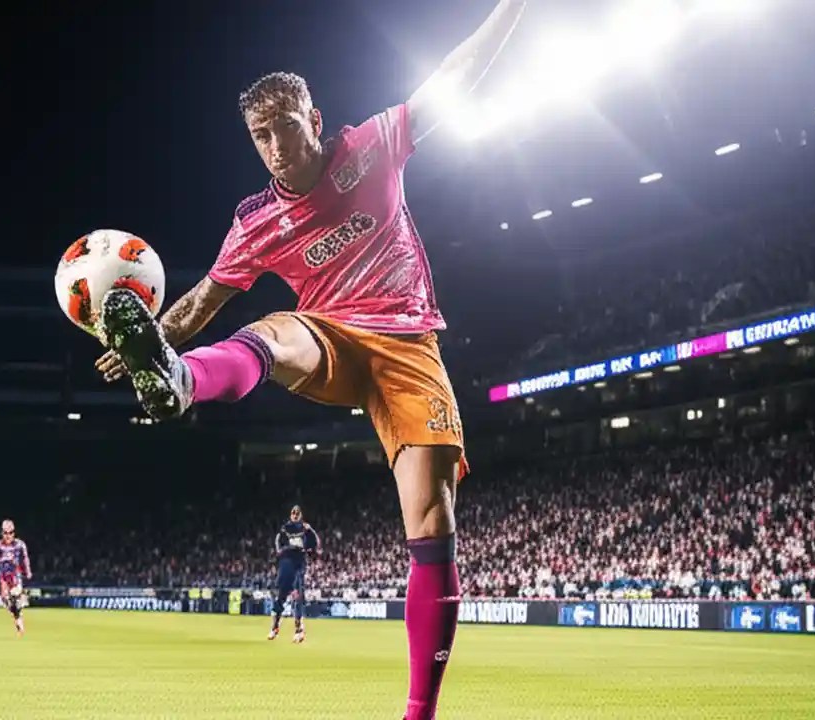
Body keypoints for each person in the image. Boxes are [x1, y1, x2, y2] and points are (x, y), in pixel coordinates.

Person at [95, 2, 526, 715]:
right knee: (272, 329)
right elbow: (204, 301)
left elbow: (458, 74)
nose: (273, 146)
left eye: (285, 128)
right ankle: (177, 382)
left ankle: (420, 711)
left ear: (315, 120)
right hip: (329, 337)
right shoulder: (256, 223)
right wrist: (157, 336)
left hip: (409, 343)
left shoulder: (375, 147)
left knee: (434, 521)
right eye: (260, 136)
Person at [269, 505, 320, 643]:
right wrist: (280, 552)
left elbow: (315, 542)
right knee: (281, 594)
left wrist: (311, 549)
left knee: (298, 595)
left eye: (297, 513)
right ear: (291, 515)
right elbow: (278, 541)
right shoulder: (285, 528)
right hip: (287, 563)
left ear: (301, 515)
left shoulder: (305, 528)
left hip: (299, 563)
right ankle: (275, 625)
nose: (295, 515)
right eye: (293, 513)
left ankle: (299, 630)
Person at [0, 519, 32, 636]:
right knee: (7, 601)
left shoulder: (20, 545)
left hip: (16, 575)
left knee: (15, 595)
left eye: (11, 532)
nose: (8, 535)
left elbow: (25, 558)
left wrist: (28, 571)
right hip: (3, 577)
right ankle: (17, 616)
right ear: (2, 533)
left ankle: (19, 609)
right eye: (5, 533)